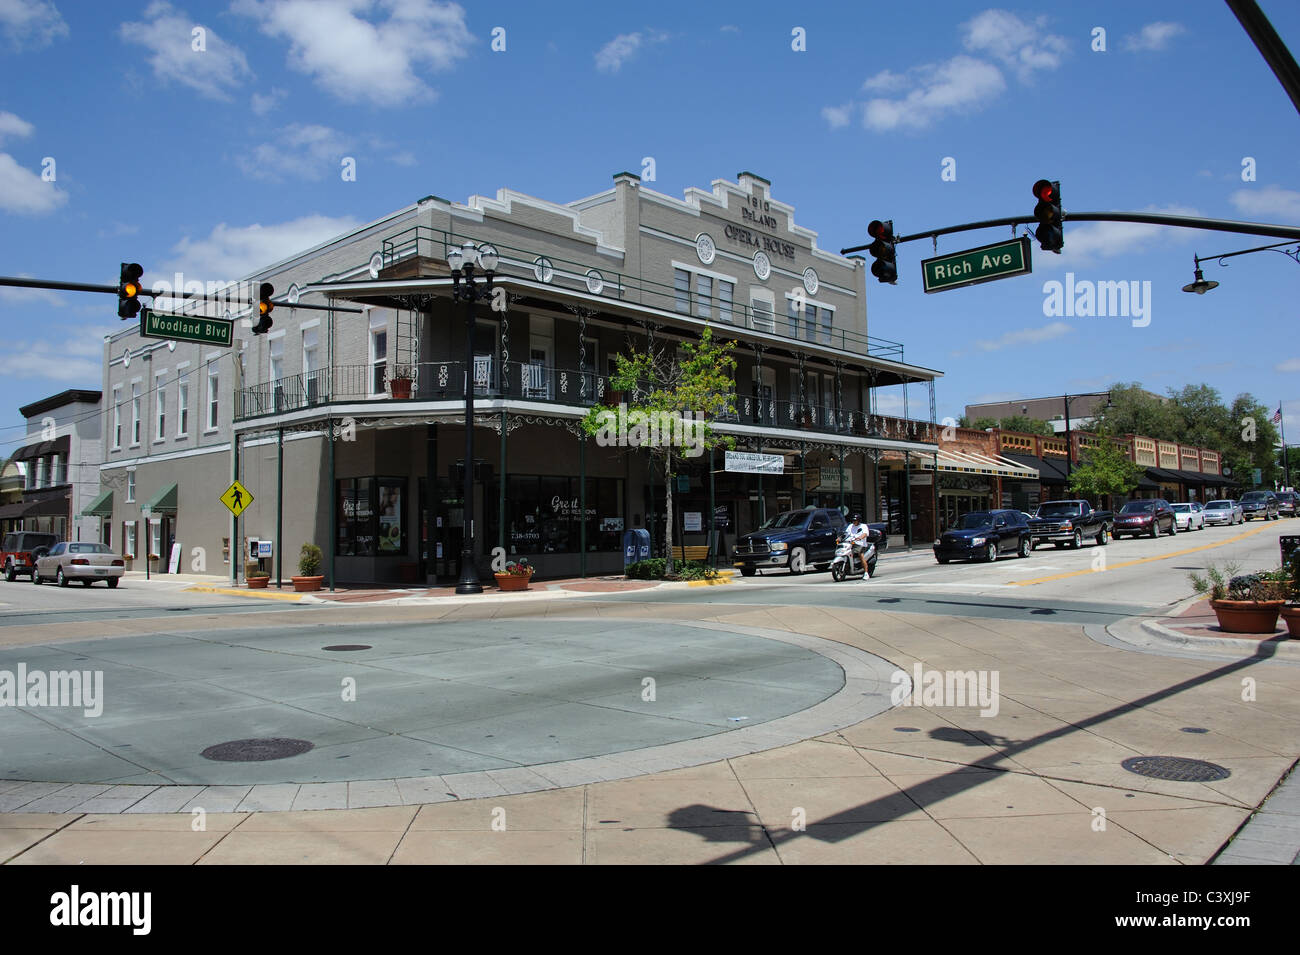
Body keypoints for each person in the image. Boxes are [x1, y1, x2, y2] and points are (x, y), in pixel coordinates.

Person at [843, 514, 871, 578]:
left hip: (860, 544)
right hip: (850, 543)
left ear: (859, 521)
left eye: (855, 520)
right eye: (853, 520)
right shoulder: (850, 526)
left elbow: (865, 533)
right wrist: (840, 538)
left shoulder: (863, 526)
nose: (854, 522)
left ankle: (866, 573)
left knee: (860, 554)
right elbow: (846, 533)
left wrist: (860, 537)